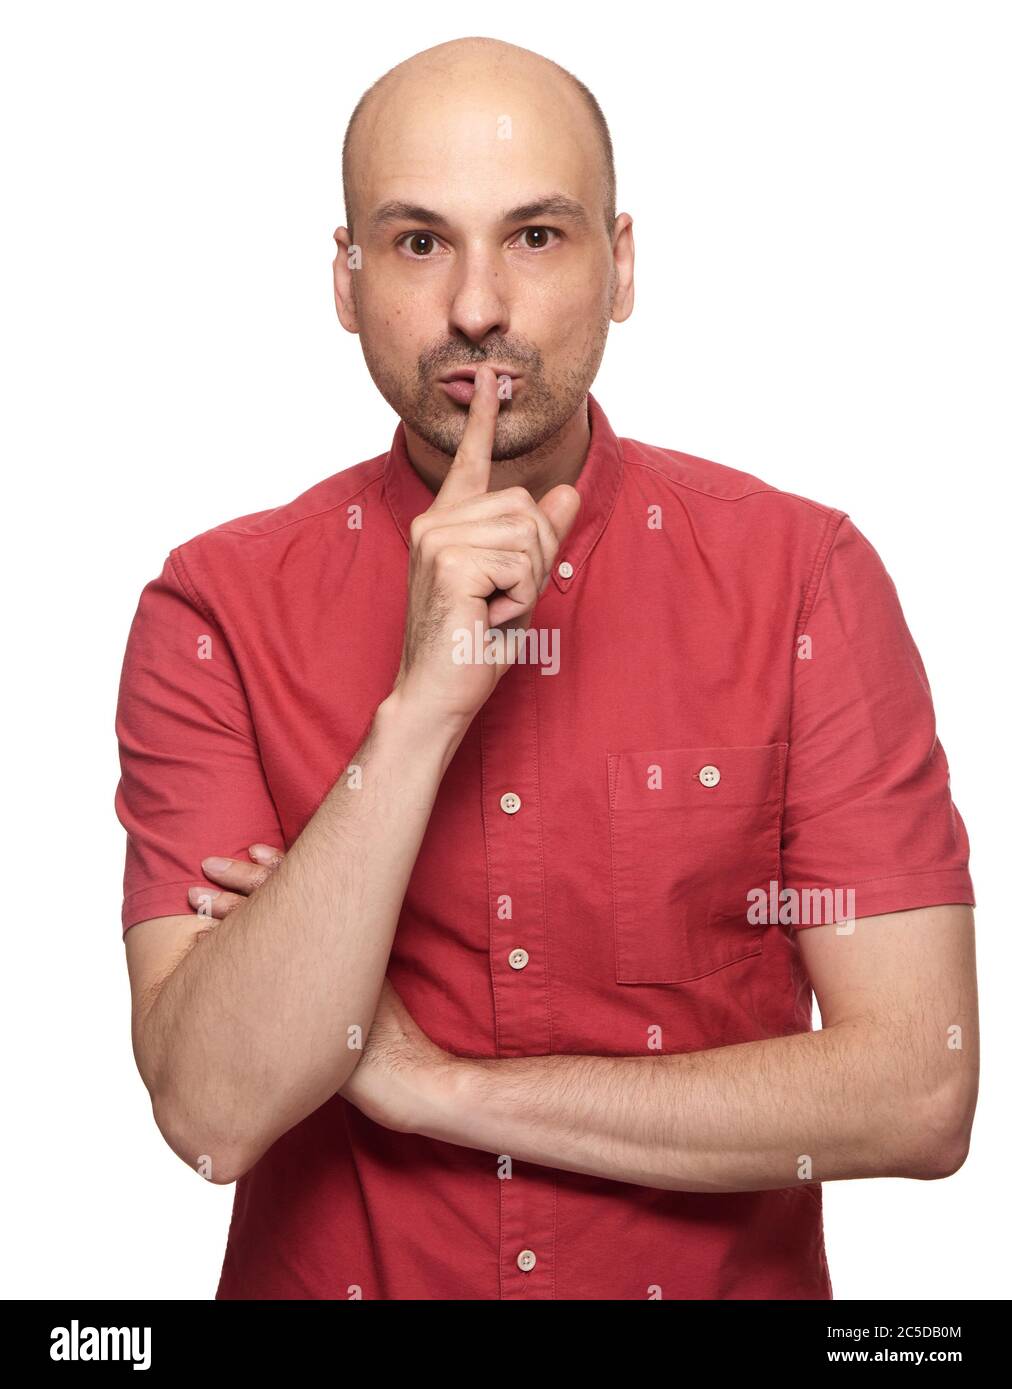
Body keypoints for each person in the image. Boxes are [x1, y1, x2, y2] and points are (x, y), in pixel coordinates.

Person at [114, 36, 977, 1301]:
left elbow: (918, 1088)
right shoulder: (214, 609)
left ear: (619, 265)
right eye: (416, 242)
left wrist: (444, 1092)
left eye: (535, 237)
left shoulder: (802, 578)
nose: (476, 308)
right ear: (343, 280)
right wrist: (420, 711)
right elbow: (213, 1110)